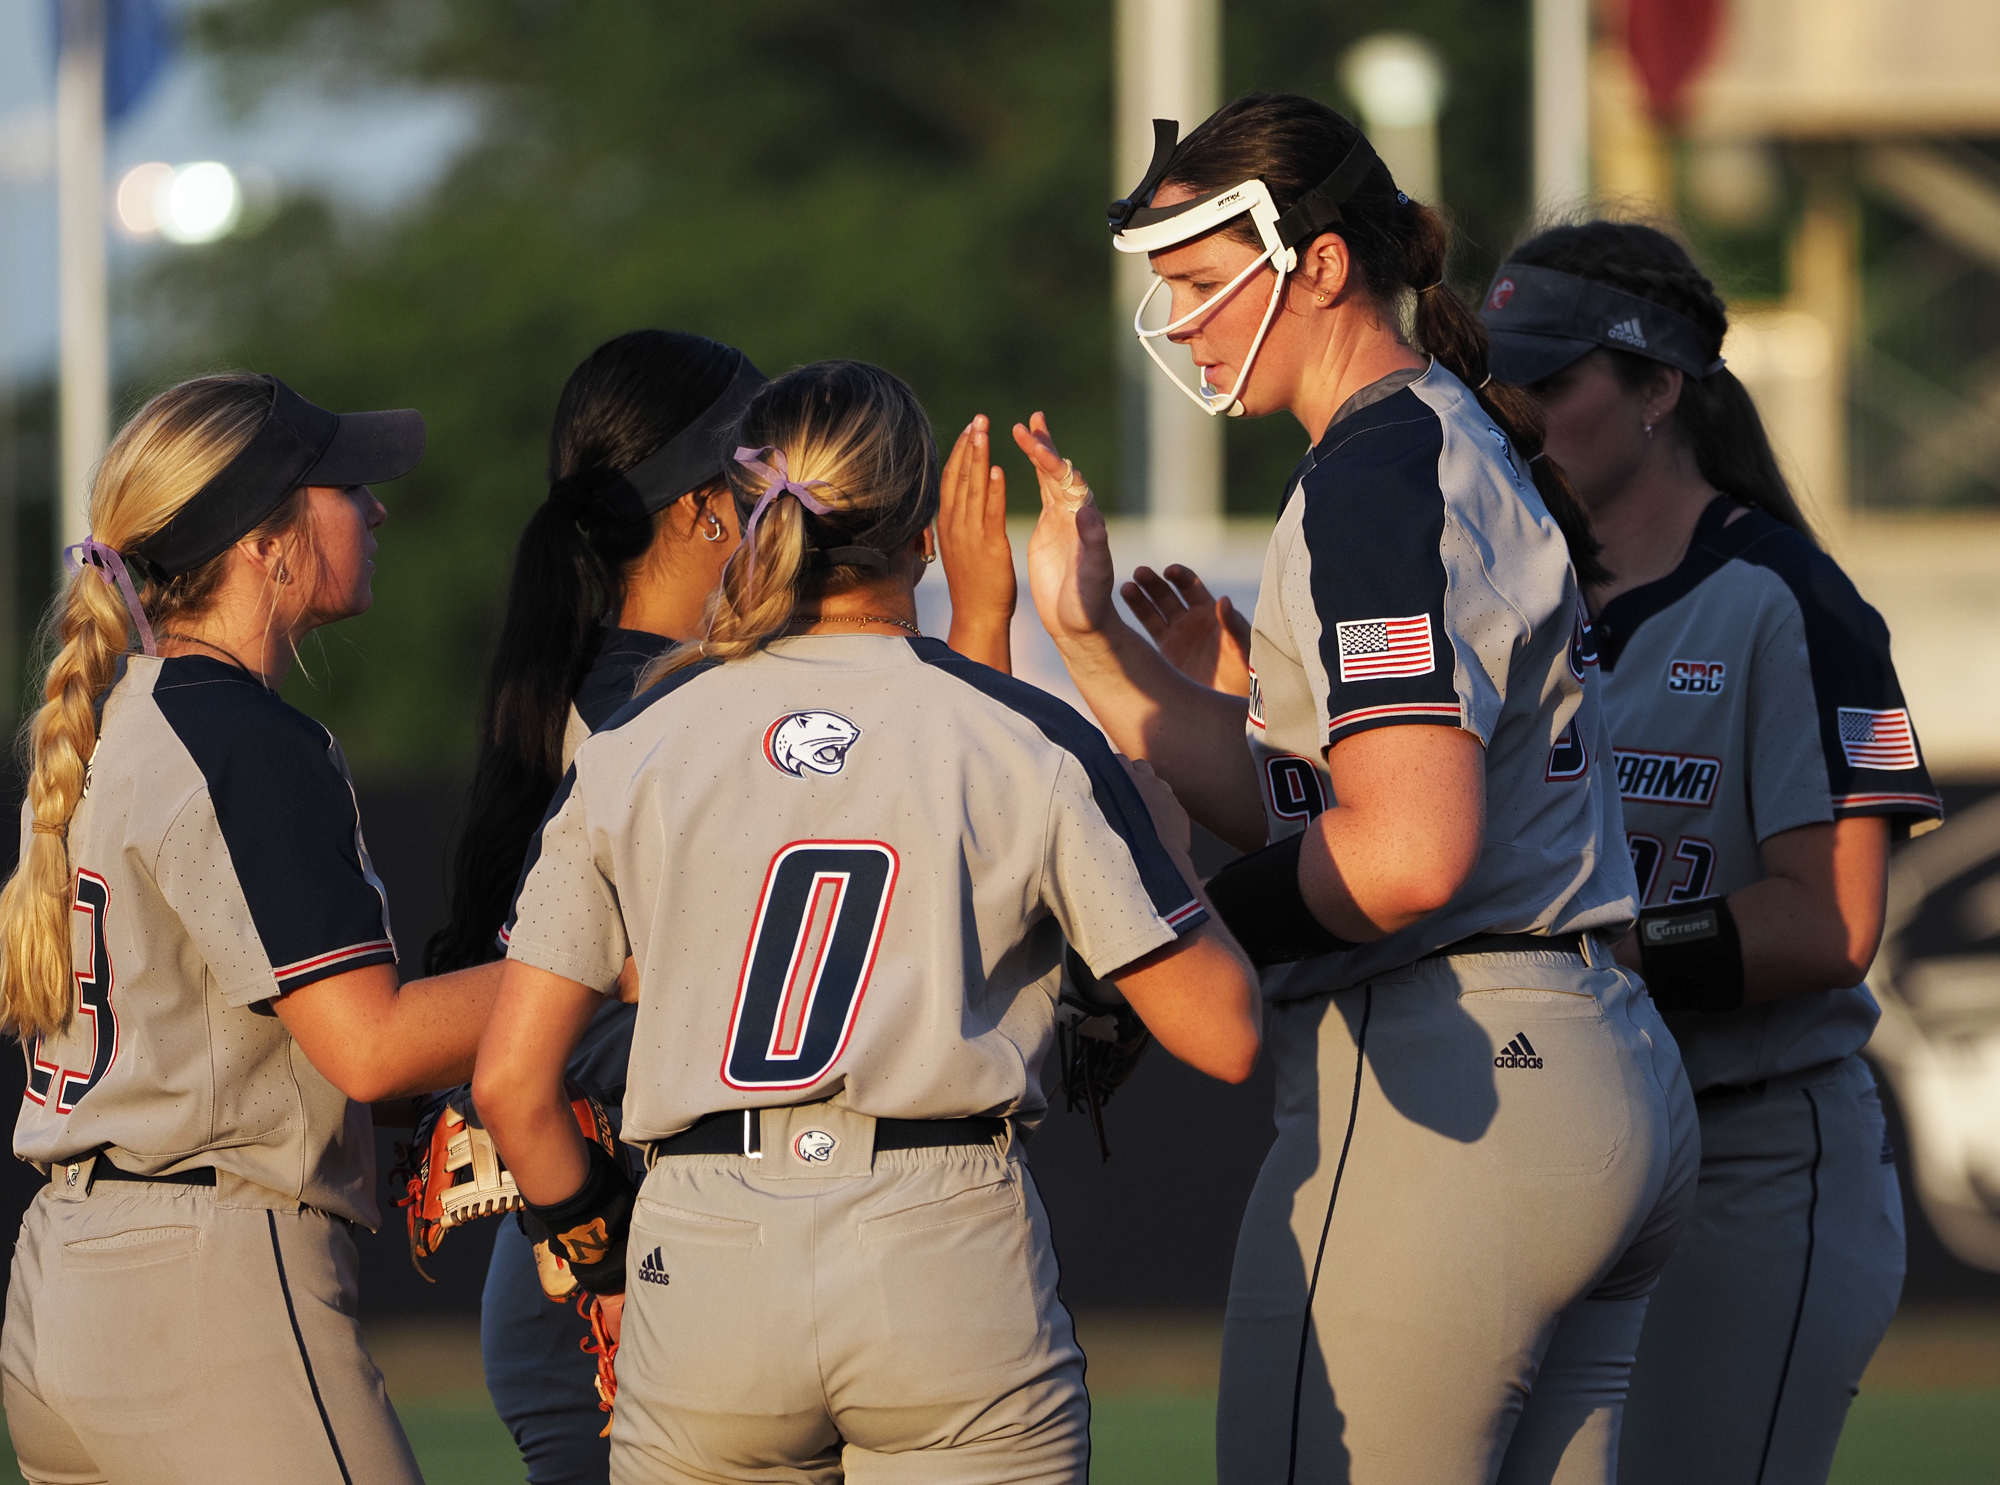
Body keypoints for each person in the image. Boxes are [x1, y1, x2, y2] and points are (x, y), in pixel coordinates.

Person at [1013, 94, 1700, 1484]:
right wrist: (1093, 641)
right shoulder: (1442, 437)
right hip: (1592, 1061)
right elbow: (1317, 796)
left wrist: (1184, 940)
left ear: (1320, 263)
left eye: (1204, 284)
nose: (1185, 324)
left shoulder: (1379, 471)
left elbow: (1403, 855)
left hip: (1456, 1072)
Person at [472, 359, 1262, 1484]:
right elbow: (1221, 1033)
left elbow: (510, 1083)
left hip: (705, 1240)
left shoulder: (638, 740)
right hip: (937, 1239)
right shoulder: (1021, 733)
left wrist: (603, 1243)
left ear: (753, 519)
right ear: (924, 537)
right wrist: (1167, 839)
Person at [1481, 221, 1936, 1485]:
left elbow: (1829, 926)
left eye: (1549, 380)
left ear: (1657, 389)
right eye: (1492, 382)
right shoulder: (1506, 596)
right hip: (1559, 1151)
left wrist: (1597, 953)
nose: (1510, 413)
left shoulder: (1783, 599)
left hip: (1747, 1155)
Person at [0, 373, 500, 1484]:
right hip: (204, 1295)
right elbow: (366, 1045)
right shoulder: (243, 738)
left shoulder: (108, 723)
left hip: (61, 1287)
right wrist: (593, 971)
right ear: (266, 542)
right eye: (343, 487)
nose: (373, 508)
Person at [421, 329, 763, 1484]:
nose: (797, 501)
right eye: (770, 473)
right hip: (626, 1240)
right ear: (709, 510)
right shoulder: (674, 709)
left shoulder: (617, 681)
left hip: (589, 1236)